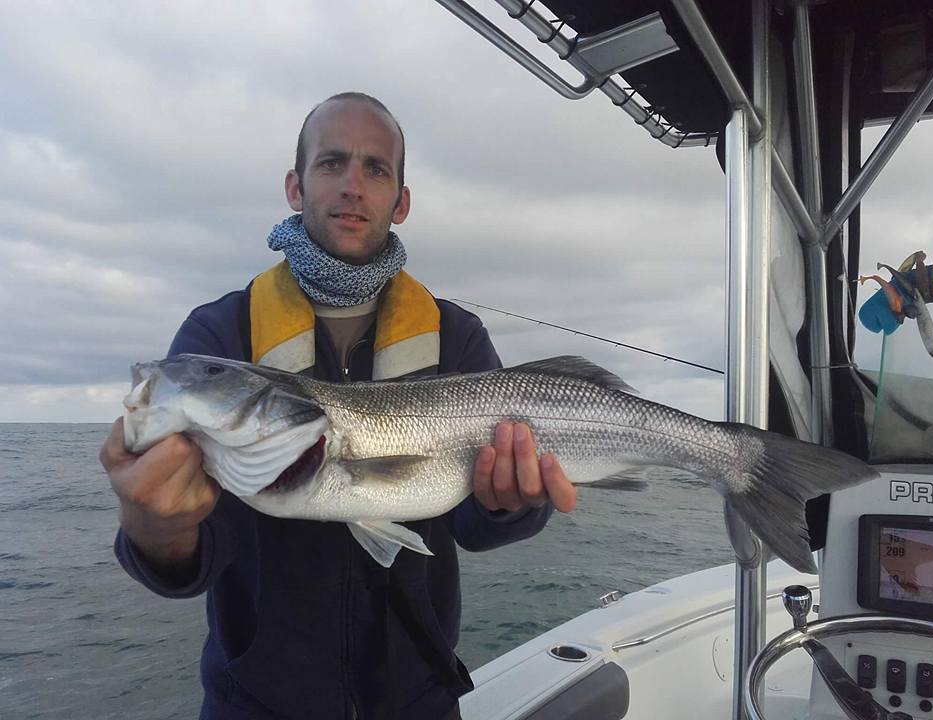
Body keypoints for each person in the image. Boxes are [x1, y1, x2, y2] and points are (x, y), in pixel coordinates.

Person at [100, 92, 577, 720]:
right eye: (331, 164)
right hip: (255, 704)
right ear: (296, 187)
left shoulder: (456, 336)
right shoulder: (219, 336)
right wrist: (154, 529)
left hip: (419, 701)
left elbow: (472, 528)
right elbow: (194, 561)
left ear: (401, 201)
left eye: (376, 169)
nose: (353, 186)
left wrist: (509, 505)